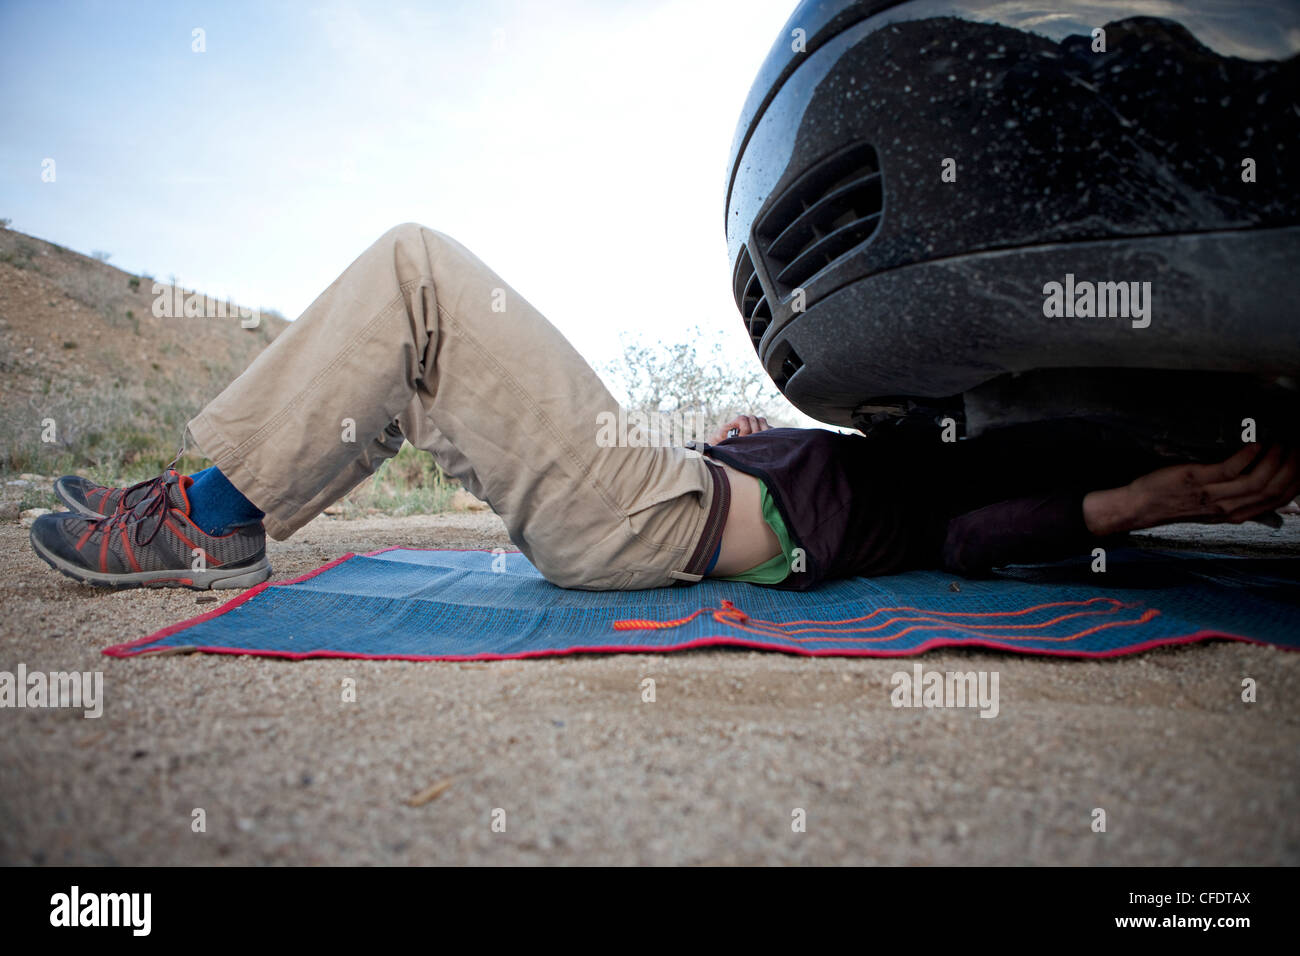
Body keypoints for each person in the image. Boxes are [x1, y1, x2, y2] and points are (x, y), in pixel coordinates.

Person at [28, 224, 1300, 592]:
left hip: (653, 522)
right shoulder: (889, 444)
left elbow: (976, 538)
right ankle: (213, 509)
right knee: (416, 365)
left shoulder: (949, 486)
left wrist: (1144, 501)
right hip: (647, 492)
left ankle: (203, 518)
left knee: (419, 271)